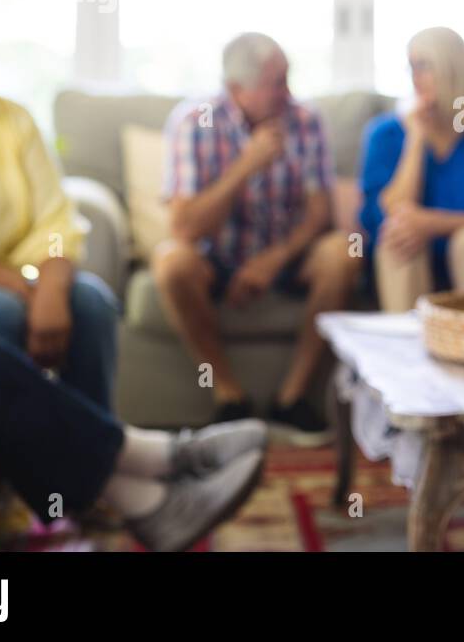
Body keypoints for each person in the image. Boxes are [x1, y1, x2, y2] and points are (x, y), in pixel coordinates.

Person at [0, 0, 267, 551]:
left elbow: (54, 215)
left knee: (90, 300)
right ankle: (140, 467)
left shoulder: (11, 120)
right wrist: (26, 289)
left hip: (11, 285)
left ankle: (98, 489)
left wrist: (49, 285)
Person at [153, 33, 359, 439]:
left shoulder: (306, 119)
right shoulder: (194, 122)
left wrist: (273, 260)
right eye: (276, 83)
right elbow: (184, 227)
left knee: (344, 253)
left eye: (287, 79)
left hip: (288, 254)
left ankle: (292, 399)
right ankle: (230, 398)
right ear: (236, 90)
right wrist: (246, 166)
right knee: (171, 261)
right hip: (218, 259)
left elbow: (320, 213)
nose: (288, 93)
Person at [359, 27, 464, 313]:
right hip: (411, 261)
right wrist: (415, 139)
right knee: (397, 239)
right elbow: (385, 215)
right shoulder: (386, 133)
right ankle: (407, 355)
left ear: (454, 70)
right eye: (411, 67)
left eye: (424, 67)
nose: (415, 78)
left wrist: (429, 223)